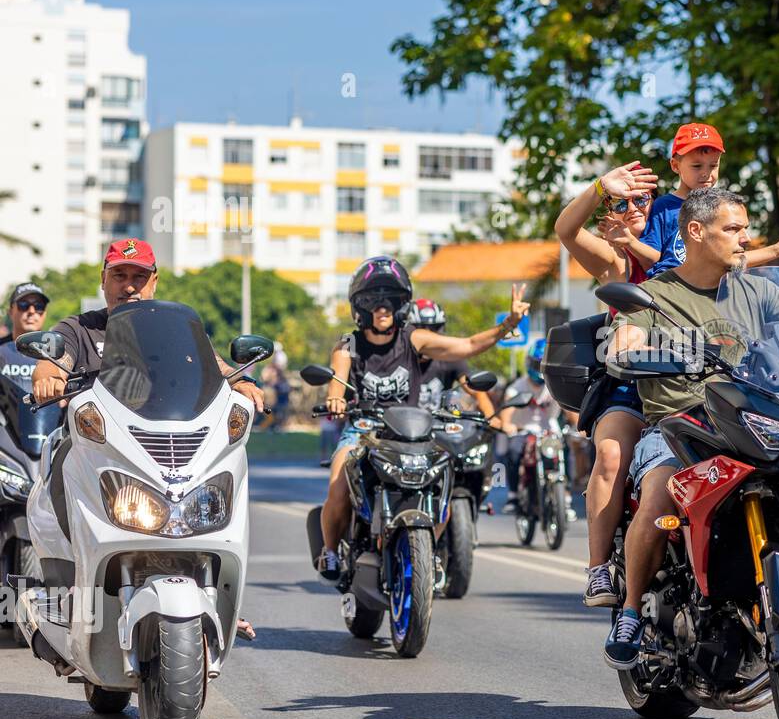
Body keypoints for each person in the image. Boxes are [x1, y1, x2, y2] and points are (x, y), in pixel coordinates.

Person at [601, 188, 779, 667]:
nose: (745, 239)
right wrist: (631, 352)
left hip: (751, 417)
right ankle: (632, 611)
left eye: (745, 228)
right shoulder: (655, 296)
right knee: (662, 489)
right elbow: (624, 342)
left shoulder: (758, 290)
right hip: (682, 426)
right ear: (697, 232)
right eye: (734, 229)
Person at [31, 240, 265, 640]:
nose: (129, 286)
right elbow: (50, 364)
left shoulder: (175, 332)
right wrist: (47, 378)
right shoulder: (80, 329)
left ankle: (219, 596)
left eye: (139, 276)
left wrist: (242, 381)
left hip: (165, 453)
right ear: (103, 280)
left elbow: (217, 369)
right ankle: (73, 585)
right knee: (64, 463)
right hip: (99, 456)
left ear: (154, 281)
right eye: (119, 276)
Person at [317, 257, 528, 576]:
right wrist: (334, 400)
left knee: (444, 478)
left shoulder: (414, 339)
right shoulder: (348, 345)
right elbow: (336, 384)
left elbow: (467, 345)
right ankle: (330, 552)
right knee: (338, 482)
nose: (383, 307)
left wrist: (508, 325)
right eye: (373, 300)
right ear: (360, 307)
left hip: (411, 432)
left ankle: (428, 554)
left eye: (391, 299)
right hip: (363, 429)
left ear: (402, 304)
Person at [552, 161, 658, 605]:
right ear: (608, 213)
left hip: (700, 389)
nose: (633, 208)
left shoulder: (690, 259)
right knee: (612, 455)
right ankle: (598, 568)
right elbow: (566, 230)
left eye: (642, 200)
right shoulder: (616, 263)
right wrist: (599, 188)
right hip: (632, 388)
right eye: (622, 202)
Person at [633, 122, 779, 282]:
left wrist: (776, 250)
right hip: (672, 288)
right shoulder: (663, 207)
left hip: (711, 288)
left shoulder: (722, 208)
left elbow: (732, 260)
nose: (706, 173)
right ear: (675, 165)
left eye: (713, 165)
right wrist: (628, 241)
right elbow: (651, 258)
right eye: (697, 166)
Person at [499, 338, 563, 513]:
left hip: (548, 431)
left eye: (544, 364)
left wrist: (581, 426)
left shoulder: (556, 386)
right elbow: (507, 409)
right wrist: (506, 425)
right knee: (513, 451)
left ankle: (565, 495)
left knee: (563, 452)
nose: (540, 369)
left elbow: (570, 409)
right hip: (523, 431)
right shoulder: (517, 387)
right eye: (538, 364)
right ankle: (512, 495)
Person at [410, 298, 495, 417]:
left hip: (440, 429)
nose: (428, 336)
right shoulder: (400, 357)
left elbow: (475, 391)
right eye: (421, 329)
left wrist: (491, 418)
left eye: (434, 328)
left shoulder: (450, 358)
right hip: (403, 429)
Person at [0, 282, 50, 393]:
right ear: (10, 311)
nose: (31, 311)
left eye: (39, 306)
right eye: (23, 305)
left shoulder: (57, 351)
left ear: (45, 313)